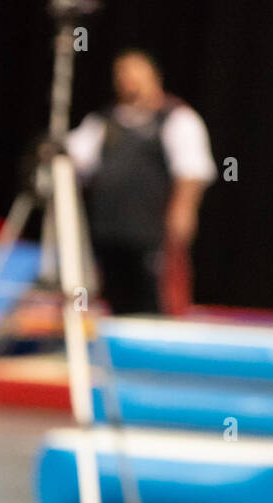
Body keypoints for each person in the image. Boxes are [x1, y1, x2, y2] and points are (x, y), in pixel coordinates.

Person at [66, 48, 216, 315]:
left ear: (153, 76)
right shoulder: (104, 121)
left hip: (152, 234)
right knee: (114, 301)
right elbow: (74, 158)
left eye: (136, 73)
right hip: (109, 232)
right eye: (122, 74)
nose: (128, 80)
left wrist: (184, 210)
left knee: (155, 303)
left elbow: (192, 170)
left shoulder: (176, 118)